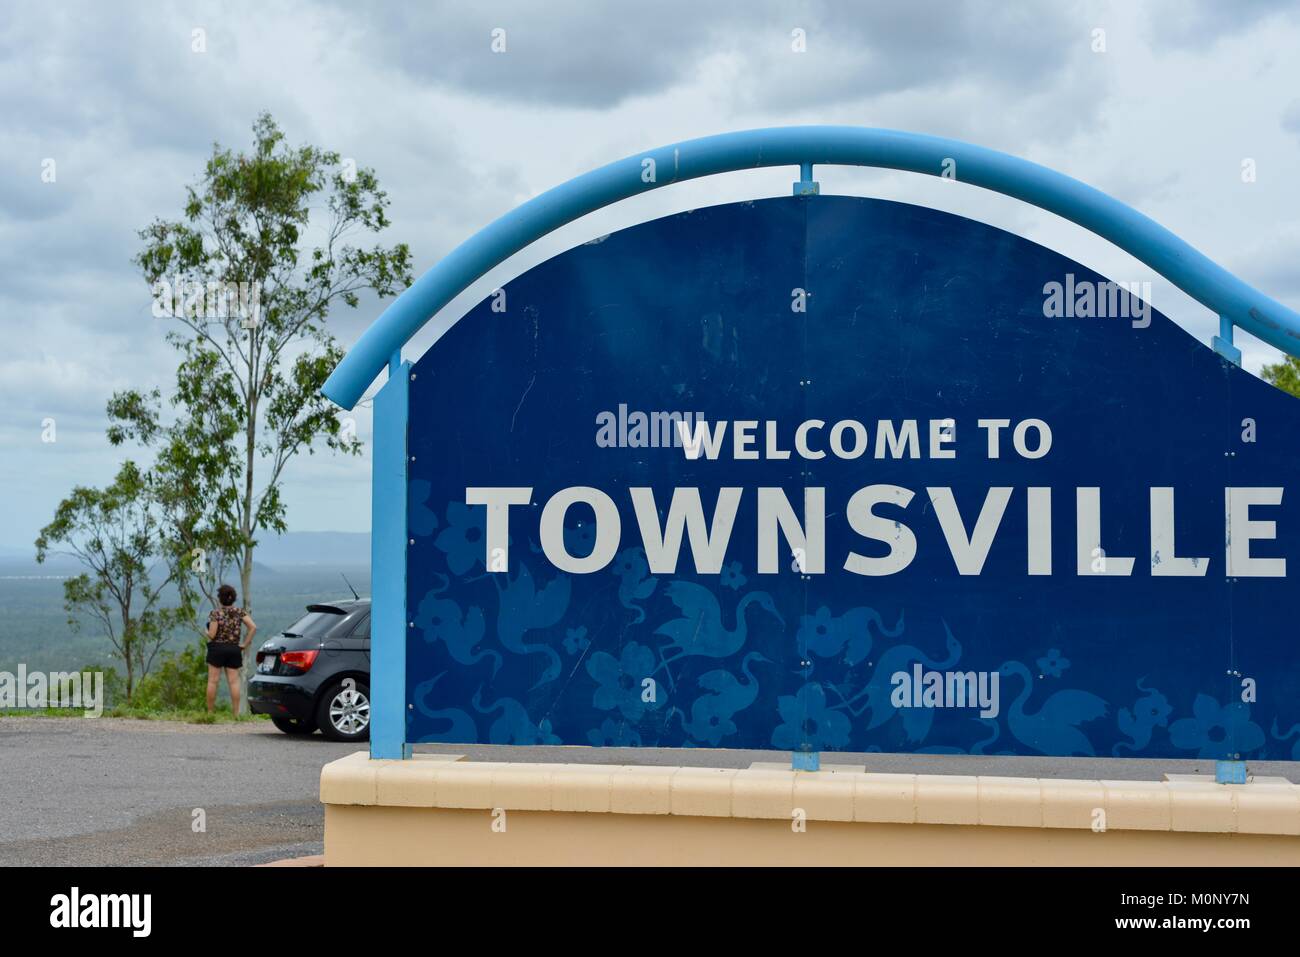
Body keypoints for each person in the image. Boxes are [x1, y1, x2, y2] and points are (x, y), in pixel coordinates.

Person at [206, 584, 256, 715]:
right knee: (234, 682)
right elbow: (253, 627)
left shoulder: (215, 613)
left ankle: (210, 712)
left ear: (220, 598)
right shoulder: (240, 612)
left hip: (217, 648)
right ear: (233, 598)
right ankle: (235, 714)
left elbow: (212, 634)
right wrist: (244, 644)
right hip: (234, 648)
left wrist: (206, 630)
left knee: (213, 681)